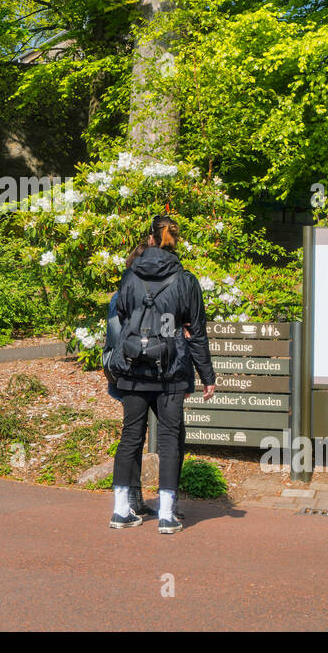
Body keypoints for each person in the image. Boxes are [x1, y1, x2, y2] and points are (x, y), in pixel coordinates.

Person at [106, 214, 216, 534]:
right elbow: (196, 333)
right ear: (174, 241)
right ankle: (167, 515)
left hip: (133, 368)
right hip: (170, 371)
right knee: (169, 440)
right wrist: (206, 375)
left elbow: (124, 317)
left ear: (150, 239)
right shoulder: (186, 281)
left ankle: (120, 510)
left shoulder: (129, 277)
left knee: (130, 437)